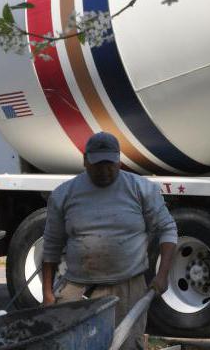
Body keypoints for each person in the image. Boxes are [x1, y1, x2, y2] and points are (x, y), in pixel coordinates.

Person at [42, 132, 178, 350]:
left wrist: (163, 275)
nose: (105, 171)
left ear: (119, 160)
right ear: (85, 161)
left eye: (110, 164)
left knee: (125, 345)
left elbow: (168, 230)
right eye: (97, 165)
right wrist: (47, 293)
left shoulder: (141, 188)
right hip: (78, 289)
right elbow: (51, 246)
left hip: (128, 289)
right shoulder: (64, 194)